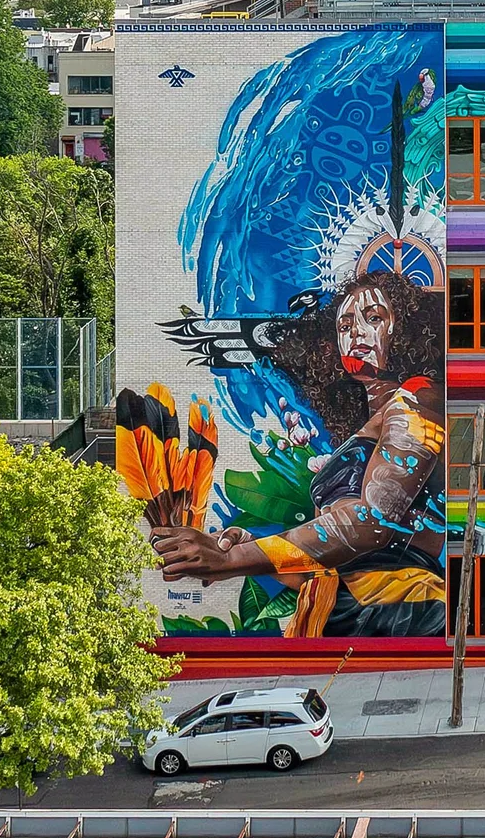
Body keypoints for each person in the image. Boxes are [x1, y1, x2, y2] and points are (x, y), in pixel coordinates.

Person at [151, 271, 448, 638]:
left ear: (405, 330)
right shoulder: (373, 420)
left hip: (402, 612)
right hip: (348, 611)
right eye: (344, 324)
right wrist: (250, 552)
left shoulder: (419, 399)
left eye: (374, 318)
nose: (355, 332)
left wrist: (232, 558)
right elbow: (333, 561)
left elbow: (372, 520)